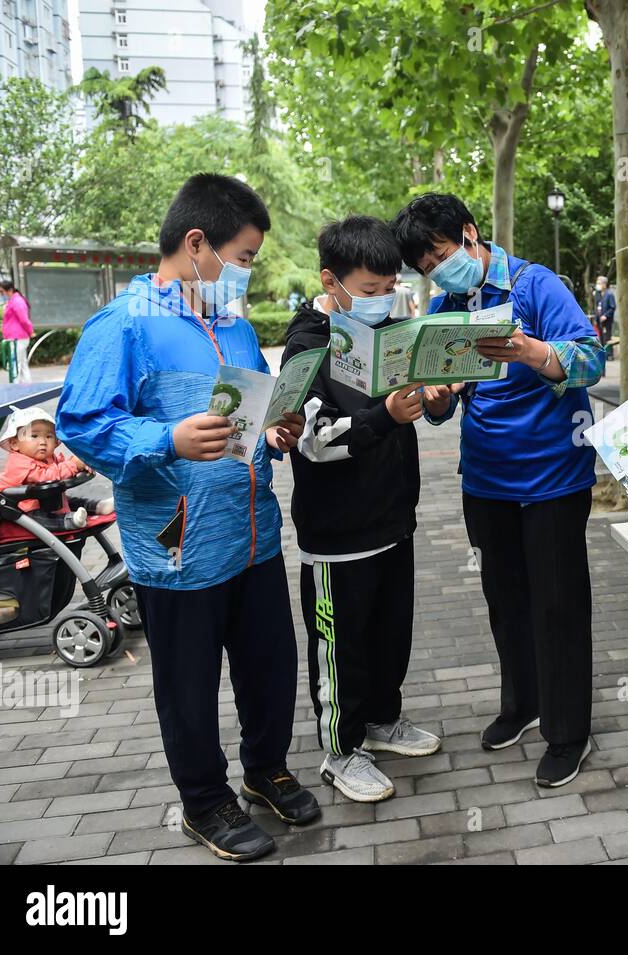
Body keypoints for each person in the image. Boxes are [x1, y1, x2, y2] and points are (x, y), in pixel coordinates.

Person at [56, 173, 318, 862]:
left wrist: (275, 432)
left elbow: (244, 417)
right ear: (197, 242)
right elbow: (81, 425)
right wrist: (163, 440)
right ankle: (205, 800)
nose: (246, 273)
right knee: (189, 684)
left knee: (271, 666)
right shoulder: (123, 325)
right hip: (177, 547)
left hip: (253, 532)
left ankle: (266, 769)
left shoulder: (234, 326)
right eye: (246, 256)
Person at [393, 193, 605, 788]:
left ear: (469, 233)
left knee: (558, 603)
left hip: (552, 477)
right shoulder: (448, 305)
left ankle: (568, 731)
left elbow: (590, 357)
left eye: (439, 255)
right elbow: (442, 402)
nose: (436, 271)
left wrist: (533, 352)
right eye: (426, 268)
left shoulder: (536, 287)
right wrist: (437, 399)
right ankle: (523, 702)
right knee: (504, 596)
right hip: (485, 479)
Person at [282, 215, 442, 804]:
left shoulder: (395, 334)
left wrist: (431, 398)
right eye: (369, 290)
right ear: (332, 281)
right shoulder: (308, 346)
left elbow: (409, 407)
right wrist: (384, 418)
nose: (381, 301)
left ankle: (382, 720)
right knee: (339, 647)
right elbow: (311, 441)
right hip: (337, 534)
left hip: (393, 521)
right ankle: (340, 750)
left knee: (388, 635)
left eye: (387, 288)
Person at [0, 406, 114, 531]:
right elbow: (46, 476)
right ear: (14, 444)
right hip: (21, 505)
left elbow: (60, 466)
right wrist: (72, 465)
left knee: (68, 500)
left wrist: (80, 465)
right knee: (37, 519)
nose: (42, 441)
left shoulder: (46, 457)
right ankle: (70, 521)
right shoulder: (19, 463)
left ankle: (98, 506)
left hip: (41, 499)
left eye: (48, 436)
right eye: (34, 436)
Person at [0, 280, 33, 383]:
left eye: (1, 292)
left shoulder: (17, 301)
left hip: (18, 337)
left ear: (9, 290)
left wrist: (30, 331)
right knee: (21, 362)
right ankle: (27, 383)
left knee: (15, 362)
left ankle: (15, 385)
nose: (1, 294)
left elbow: (24, 319)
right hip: (16, 337)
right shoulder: (13, 301)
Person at [593, 275, 616, 343]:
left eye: (599, 283)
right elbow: (597, 306)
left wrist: (605, 315)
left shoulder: (609, 294)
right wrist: (595, 317)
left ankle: (609, 353)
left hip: (607, 321)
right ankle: (603, 352)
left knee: (607, 339)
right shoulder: (598, 294)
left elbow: (612, 307)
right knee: (600, 339)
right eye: (597, 283)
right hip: (599, 320)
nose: (598, 285)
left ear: (604, 284)